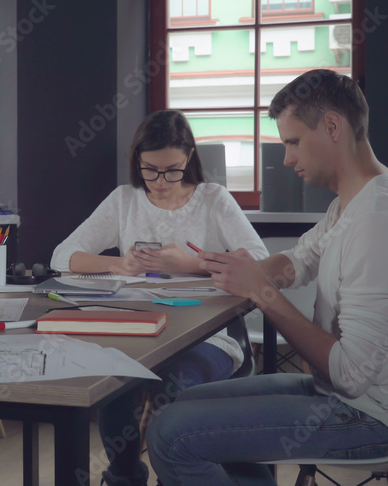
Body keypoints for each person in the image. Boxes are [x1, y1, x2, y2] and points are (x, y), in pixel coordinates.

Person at [147, 69, 388, 486]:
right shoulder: (357, 200)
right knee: (179, 404)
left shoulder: (381, 220)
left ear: (331, 127)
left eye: (292, 142)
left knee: (170, 435)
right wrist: (239, 271)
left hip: (376, 416)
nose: (287, 158)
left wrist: (261, 291)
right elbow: (301, 259)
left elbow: (350, 373)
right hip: (349, 396)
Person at [51, 110, 268, 486]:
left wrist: (193, 263)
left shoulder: (213, 199)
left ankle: (178, 477)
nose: (160, 181)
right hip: (140, 331)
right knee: (113, 392)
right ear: (138, 161)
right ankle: (125, 477)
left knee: (174, 397)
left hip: (208, 335)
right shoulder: (125, 200)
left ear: (189, 159)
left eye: (172, 170)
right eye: (150, 169)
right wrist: (120, 264)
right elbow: (61, 257)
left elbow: (261, 261)